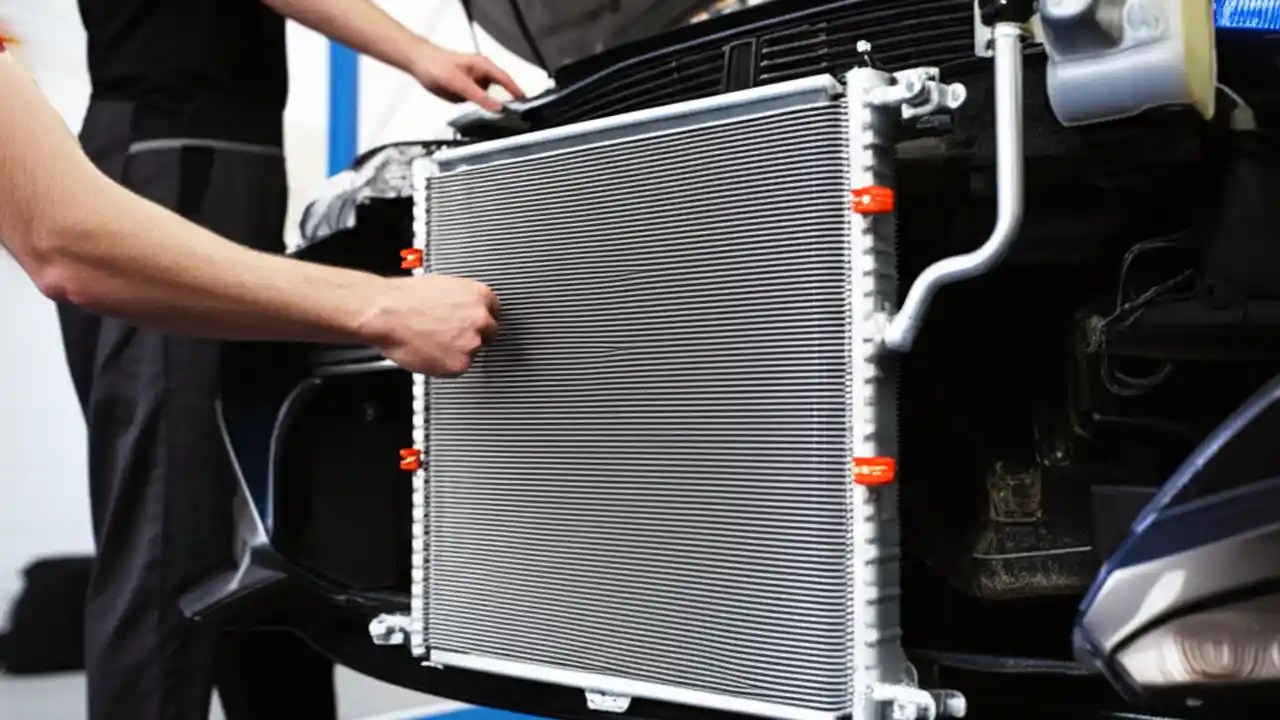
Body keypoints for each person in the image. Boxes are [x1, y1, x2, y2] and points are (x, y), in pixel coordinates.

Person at [38, 1, 521, 717]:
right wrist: (421, 54)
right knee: (172, 524)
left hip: (208, 157)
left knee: (254, 523)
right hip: (175, 156)